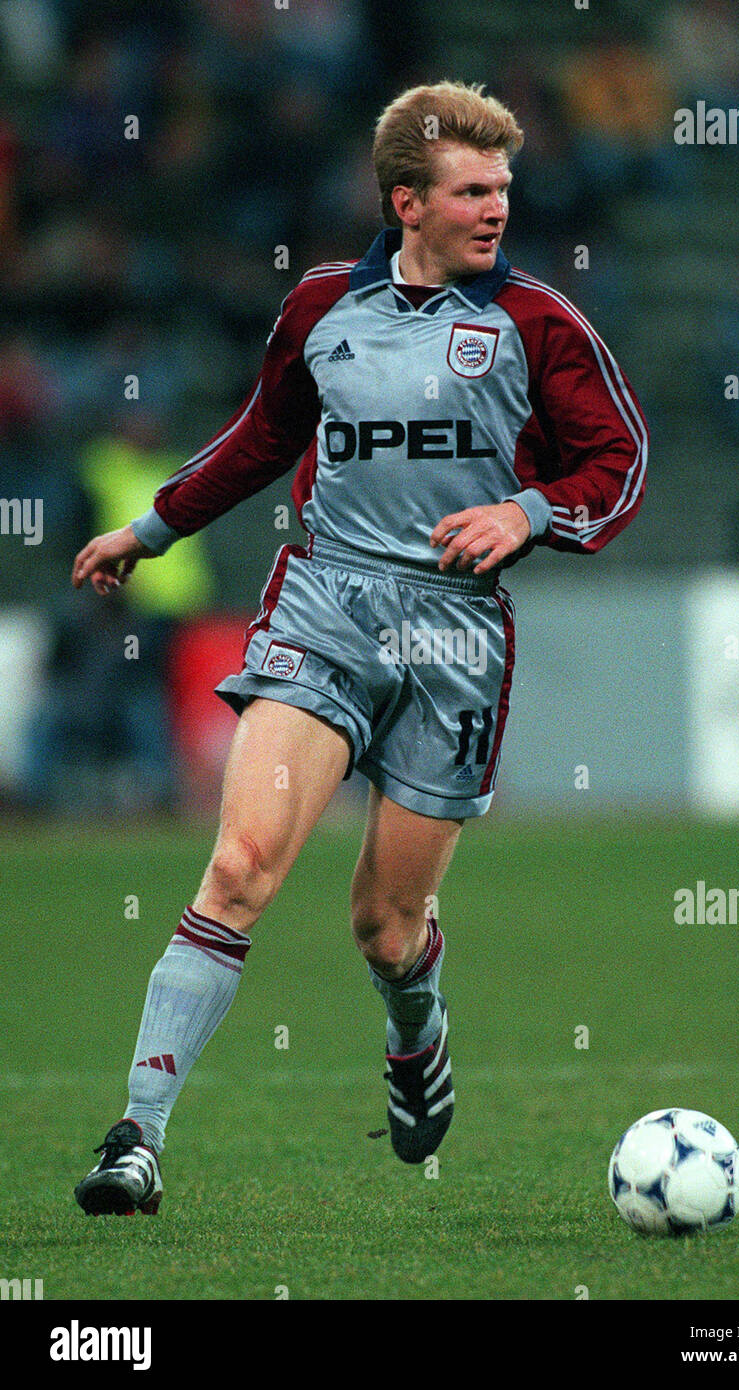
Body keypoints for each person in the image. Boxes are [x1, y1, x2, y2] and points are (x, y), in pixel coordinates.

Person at [71, 80, 647, 1216]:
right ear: (406, 201)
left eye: (502, 189)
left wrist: (526, 514)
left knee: (385, 927)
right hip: (324, 608)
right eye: (471, 190)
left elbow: (617, 466)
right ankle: (135, 1137)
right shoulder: (324, 306)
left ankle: (415, 1031)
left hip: (454, 632)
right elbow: (263, 434)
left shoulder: (536, 324)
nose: (495, 209)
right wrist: (150, 527)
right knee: (238, 867)